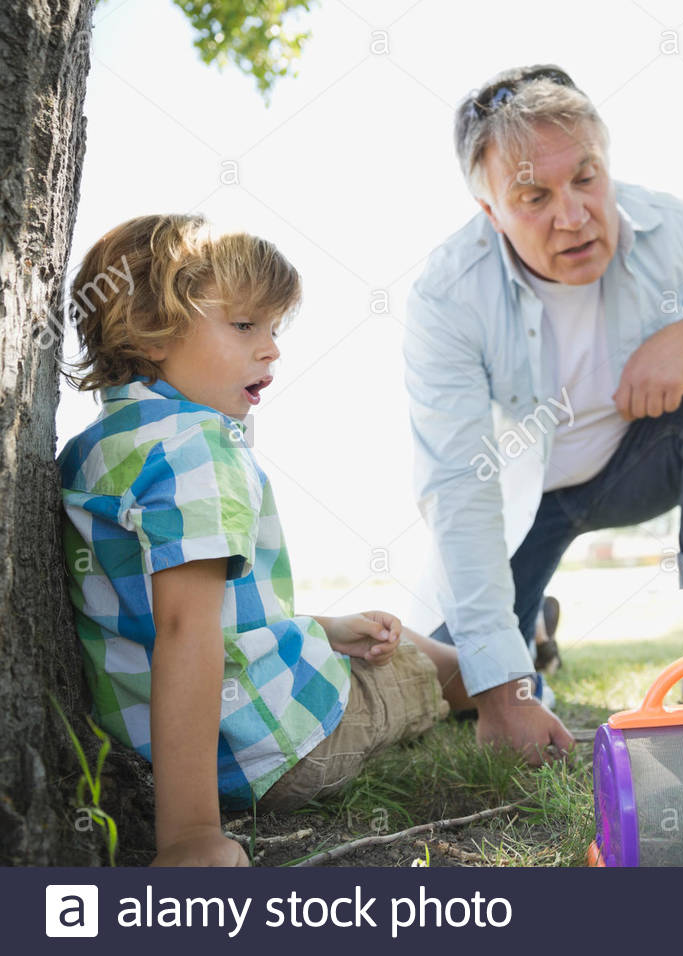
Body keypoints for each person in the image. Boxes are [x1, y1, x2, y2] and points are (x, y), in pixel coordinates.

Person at [404, 65, 683, 763]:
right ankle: (532, 637)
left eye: (586, 179)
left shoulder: (668, 226)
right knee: (448, 687)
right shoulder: (447, 295)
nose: (572, 216)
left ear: (606, 163)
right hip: (517, 506)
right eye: (533, 196)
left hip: (634, 466)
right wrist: (504, 693)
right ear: (490, 212)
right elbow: (458, 489)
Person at [58, 215, 472, 865]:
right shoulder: (198, 449)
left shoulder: (90, 452)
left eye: (274, 328)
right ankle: (503, 678)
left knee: (380, 634)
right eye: (245, 325)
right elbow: (185, 632)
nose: (272, 348)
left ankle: (503, 655)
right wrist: (191, 835)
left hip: (180, 741)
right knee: (424, 663)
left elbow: (168, 614)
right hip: (279, 743)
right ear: (149, 331)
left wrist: (324, 628)